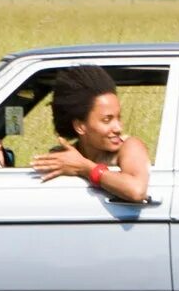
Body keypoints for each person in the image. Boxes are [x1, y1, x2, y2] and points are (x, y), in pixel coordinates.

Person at [33, 64, 151, 203]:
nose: (118, 127)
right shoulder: (66, 157)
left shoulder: (130, 146)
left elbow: (136, 191)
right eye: (107, 120)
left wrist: (86, 168)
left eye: (119, 118)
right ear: (80, 126)